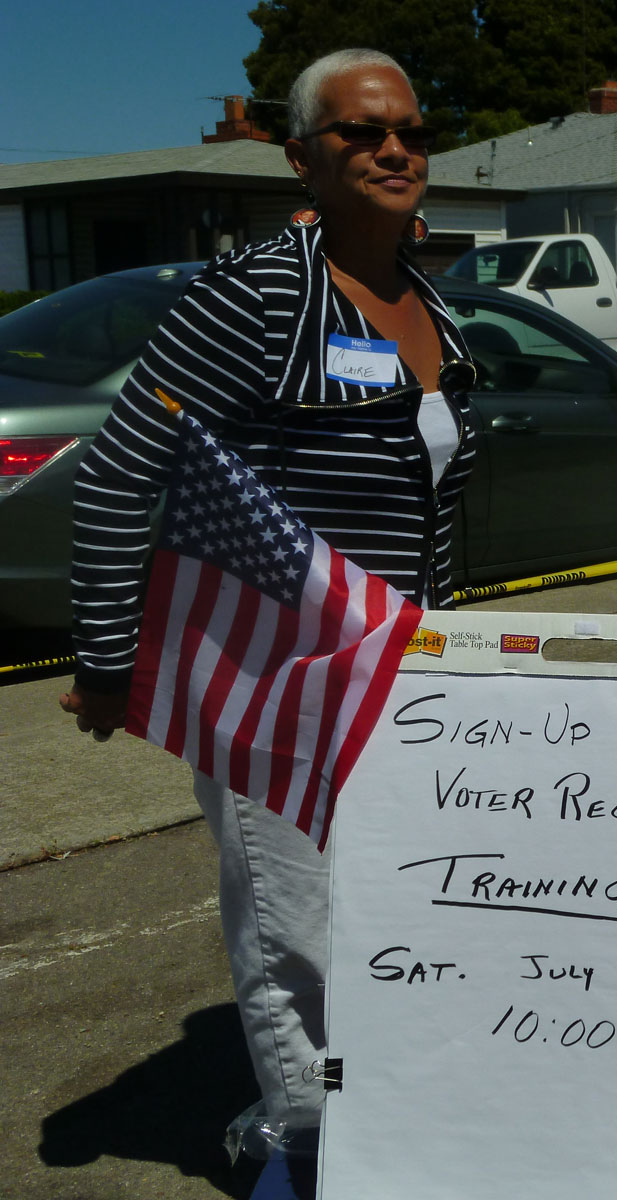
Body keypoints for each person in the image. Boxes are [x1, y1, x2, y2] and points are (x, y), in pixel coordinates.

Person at [59, 48, 476, 1142]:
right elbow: (114, 474)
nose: (394, 148)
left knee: (392, 918)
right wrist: (109, 661)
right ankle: (310, 1138)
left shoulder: (428, 301)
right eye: (360, 131)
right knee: (303, 943)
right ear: (302, 156)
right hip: (280, 686)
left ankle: (379, 1118)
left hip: (409, 679)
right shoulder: (253, 297)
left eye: (412, 130)